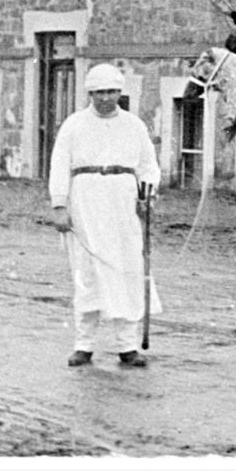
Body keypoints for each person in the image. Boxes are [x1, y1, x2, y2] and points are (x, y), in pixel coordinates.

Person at [49, 63, 161, 369]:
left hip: (123, 204)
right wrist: (60, 205)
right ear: (90, 93)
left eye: (111, 91)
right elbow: (59, 166)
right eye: (99, 92)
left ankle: (128, 347)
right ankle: (83, 345)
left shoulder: (134, 126)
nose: (105, 98)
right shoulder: (73, 125)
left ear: (120, 92)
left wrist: (145, 196)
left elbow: (149, 167)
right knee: (87, 274)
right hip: (85, 201)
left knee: (126, 271)